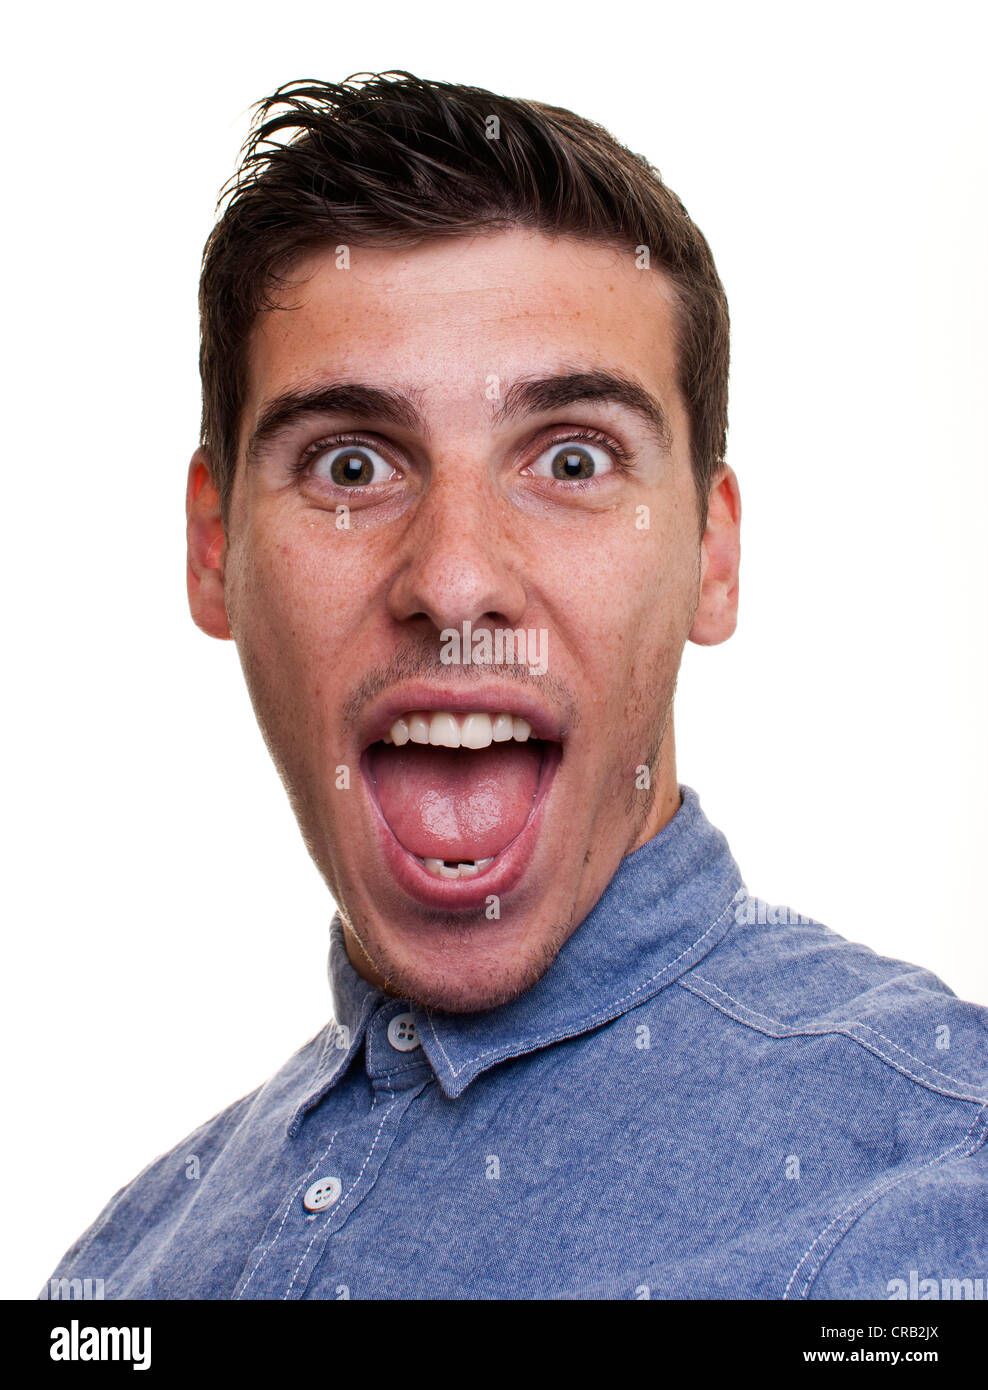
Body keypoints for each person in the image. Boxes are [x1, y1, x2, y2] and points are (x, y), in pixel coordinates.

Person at [43, 71, 987, 1301]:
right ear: (214, 547)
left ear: (713, 553)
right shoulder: (119, 1273)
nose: (452, 579)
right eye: (349, 460)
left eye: (572, 457)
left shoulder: (936, 1190)